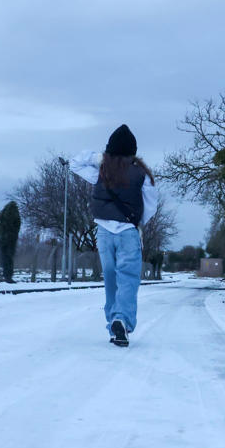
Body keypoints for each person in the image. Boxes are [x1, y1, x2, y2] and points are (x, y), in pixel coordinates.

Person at [70, 124, 157, 347]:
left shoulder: (100, 171)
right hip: (128, 231)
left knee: (110, 278)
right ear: (132, 151)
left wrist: (98, 157)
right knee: (127, 279)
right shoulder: (142, 175)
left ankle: (113, 324)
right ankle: (122, 319)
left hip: (104, 232)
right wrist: (136, 223)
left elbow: (75, 162)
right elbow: (151, 206)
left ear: (109, 150)